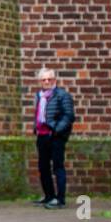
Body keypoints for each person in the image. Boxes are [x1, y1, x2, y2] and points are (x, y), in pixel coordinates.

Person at [34, 66, 75, 208]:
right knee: (43, 167)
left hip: (55, 136)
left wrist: (57, 130)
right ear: (40, 81)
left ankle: (60, 199)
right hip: (42, 136)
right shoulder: (39, 96)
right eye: (43, 79)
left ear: (54, 80)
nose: (46, 81)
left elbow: (68, 116)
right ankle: (49, 196)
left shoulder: (62, 95)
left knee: (58, 166)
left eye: (49, 79)